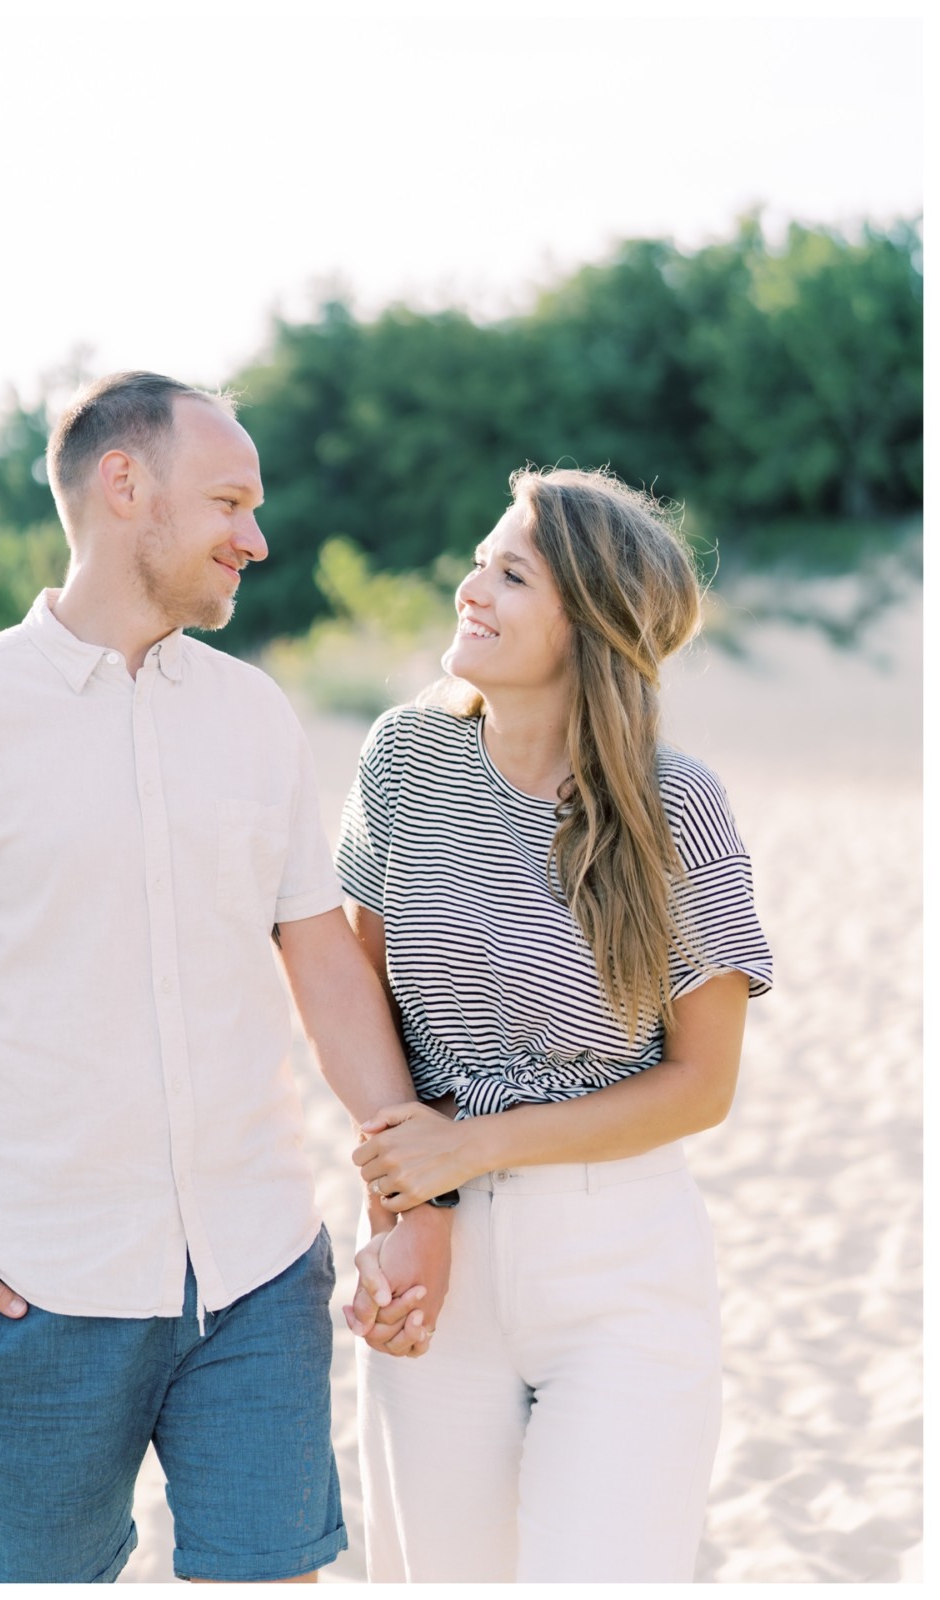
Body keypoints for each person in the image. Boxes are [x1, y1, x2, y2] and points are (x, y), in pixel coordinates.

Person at [0, 372, 450, 1585]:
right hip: (38, 1289)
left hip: (260, 1268)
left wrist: (410, 1191)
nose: (255, 538)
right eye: (229, 499)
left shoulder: (253, 714)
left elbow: (322, 962)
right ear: (126, 487)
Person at [337, 465, 773, 1583]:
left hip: (618, 1264)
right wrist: (403, 1206)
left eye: (510, 572)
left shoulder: (677, 806)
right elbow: (363, 1012)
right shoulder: (403, 760)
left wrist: (468, 1147)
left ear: (589, 621)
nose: (468, 588)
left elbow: (699, 1084)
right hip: (439, 1253)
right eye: (480, 559)